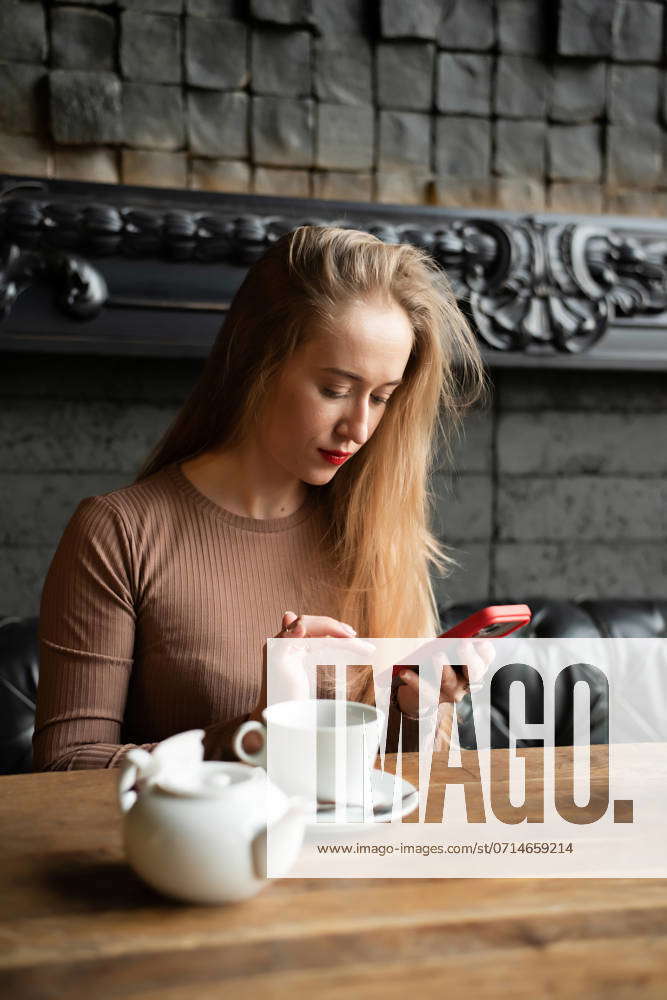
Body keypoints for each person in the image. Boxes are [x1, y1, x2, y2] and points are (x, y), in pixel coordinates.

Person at [32, 225, 492, 772]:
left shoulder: (374, 531)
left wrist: (418, 713)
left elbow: (386, 784)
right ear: (259, 363)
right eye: (335, 390)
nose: (360, 428)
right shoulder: (119, 533)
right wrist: (259, 730)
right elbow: (65, 767)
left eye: (381, 397)